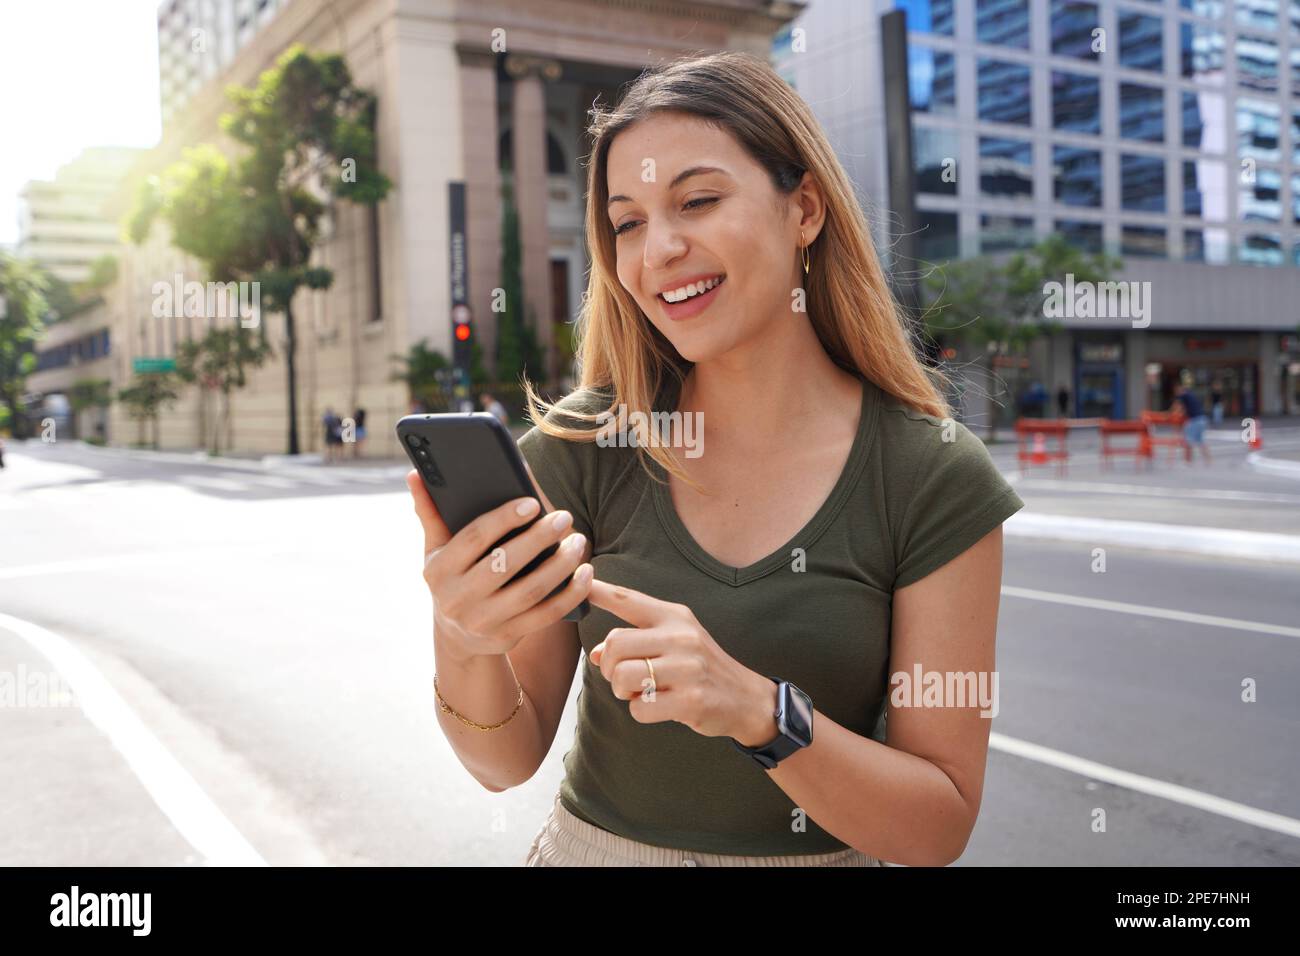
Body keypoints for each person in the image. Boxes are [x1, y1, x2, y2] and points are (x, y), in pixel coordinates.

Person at [406, 51, 1023, 867]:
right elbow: (503, 760)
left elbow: (940, 824)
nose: (657, 249)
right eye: (627, 223)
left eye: (696, 201)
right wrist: (462, 637)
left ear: (803, 207)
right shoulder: (586, 450)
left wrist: (761, 714)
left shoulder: (933, 476)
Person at [1173, 380, 1211, 464]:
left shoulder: (1184, 395)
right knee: (1201, 441)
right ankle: (1208, 460)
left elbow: (1178, 407)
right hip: (1202, 419)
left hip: (1194, 420)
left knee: (1188, 440)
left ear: (1179, 389)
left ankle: (1188, 461)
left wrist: (1170, 414)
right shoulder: (1191, 395)